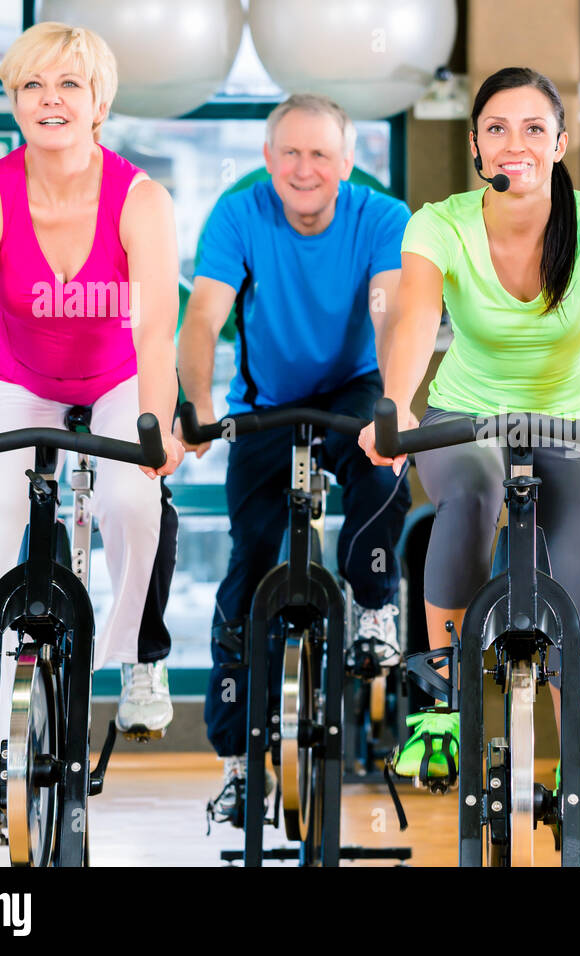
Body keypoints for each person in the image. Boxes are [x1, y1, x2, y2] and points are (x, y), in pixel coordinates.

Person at [359, 67, 580, 865]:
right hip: (465, 413)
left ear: (560, 143)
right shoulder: (439, 223)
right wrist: (399, 405)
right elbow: (414, 318)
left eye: (534, 129)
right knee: (467, 498)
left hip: (570, 419)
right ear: (475, 146)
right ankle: (443, 697)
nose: (517, 143)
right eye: (498, 128)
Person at [0, 21, 184, 837]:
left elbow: (156, 329)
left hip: (119, 382)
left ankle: (136, 656)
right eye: (32, 87)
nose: (51, 101)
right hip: (23, 386)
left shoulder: (139, 198)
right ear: (15, 101)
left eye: (69, 86)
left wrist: (155, 428)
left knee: (131, 499)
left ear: (100, 104)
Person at [177, 93, 412, 825]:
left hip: (354, 388)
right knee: (249, 568)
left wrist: (396, 407)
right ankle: (240, 766)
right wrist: (196, 406)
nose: (304, 168)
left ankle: (373, 608)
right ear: (269, 159)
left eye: (320, 154)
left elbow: (391, 311)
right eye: (290, 153)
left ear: (346, 163)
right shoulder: (242, 215)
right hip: (266, 404)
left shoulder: (382, 218)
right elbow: (205, 317)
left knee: (381, 472)